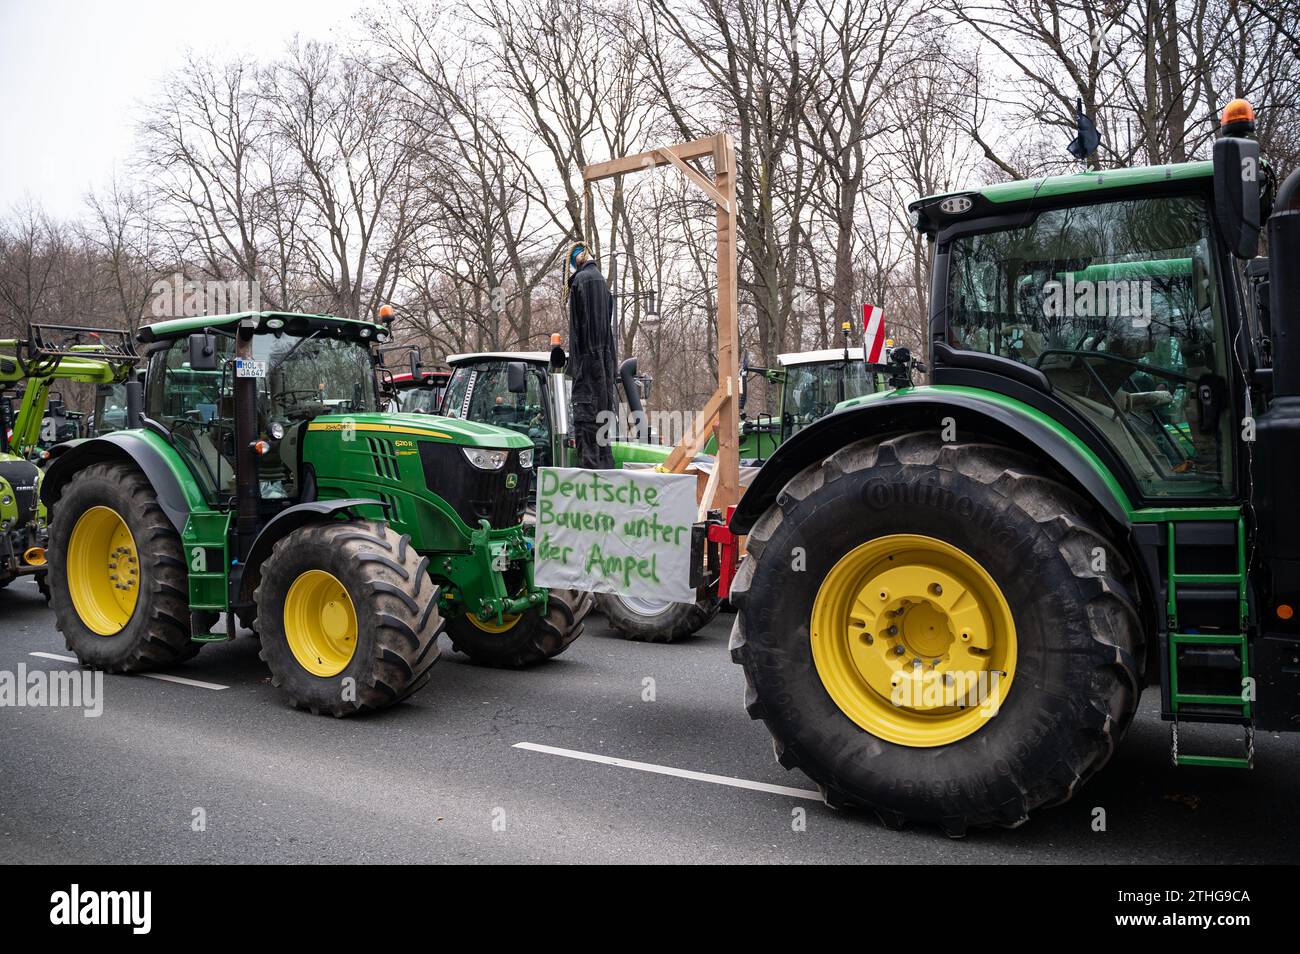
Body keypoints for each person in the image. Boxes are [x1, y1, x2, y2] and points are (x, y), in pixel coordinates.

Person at [566, 243, 617, 469]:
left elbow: (581, 335)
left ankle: (591, 493)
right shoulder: (603, 285)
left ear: (576, 260)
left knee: (587, 438)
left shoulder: (580, 281)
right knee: (602, 442)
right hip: (603, 377)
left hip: (587, 376)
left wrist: (579, 369)